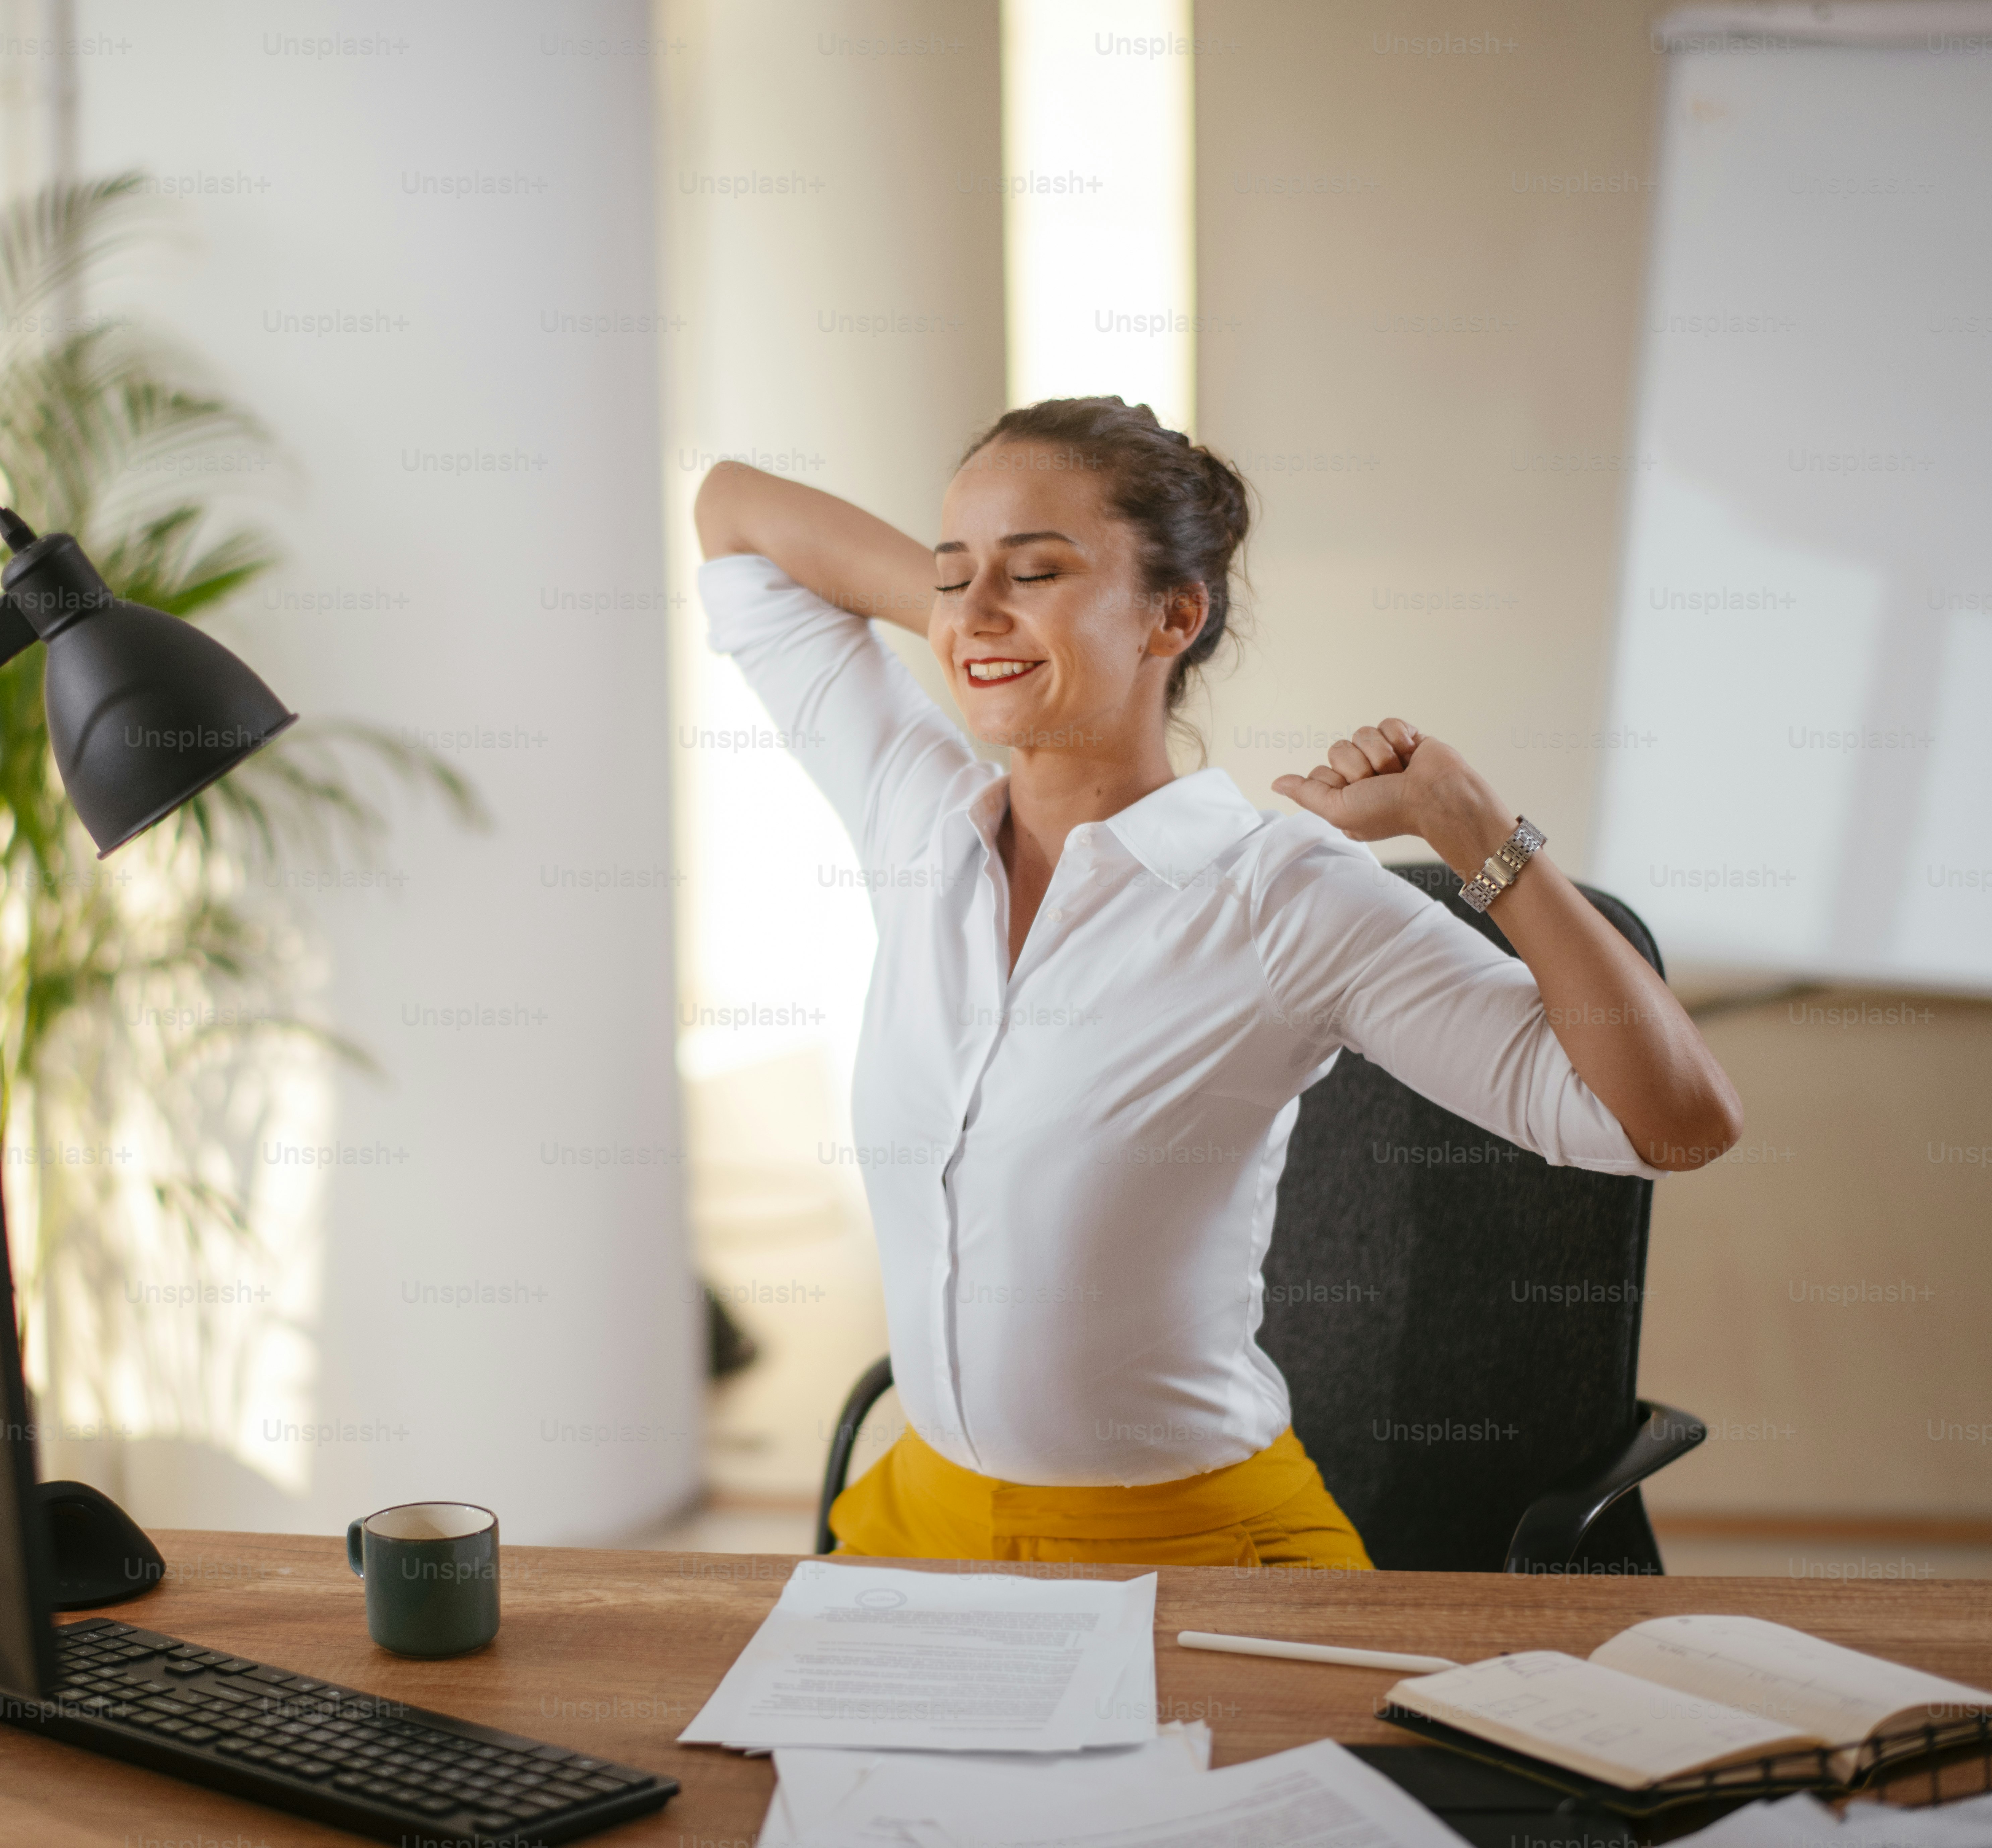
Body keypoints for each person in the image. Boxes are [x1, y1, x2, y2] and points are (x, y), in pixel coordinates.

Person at [691, 396, 1743, 1569]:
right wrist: (981, 623)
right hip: (916, 1529)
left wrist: (1475, 833)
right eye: (954, 571)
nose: (976, 604)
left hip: (1189, 1550)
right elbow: (733, 511)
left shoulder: (1282, 896)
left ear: (1175, 615)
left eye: (1040, 569)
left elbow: (1676, 1126)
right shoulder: (915, 816)